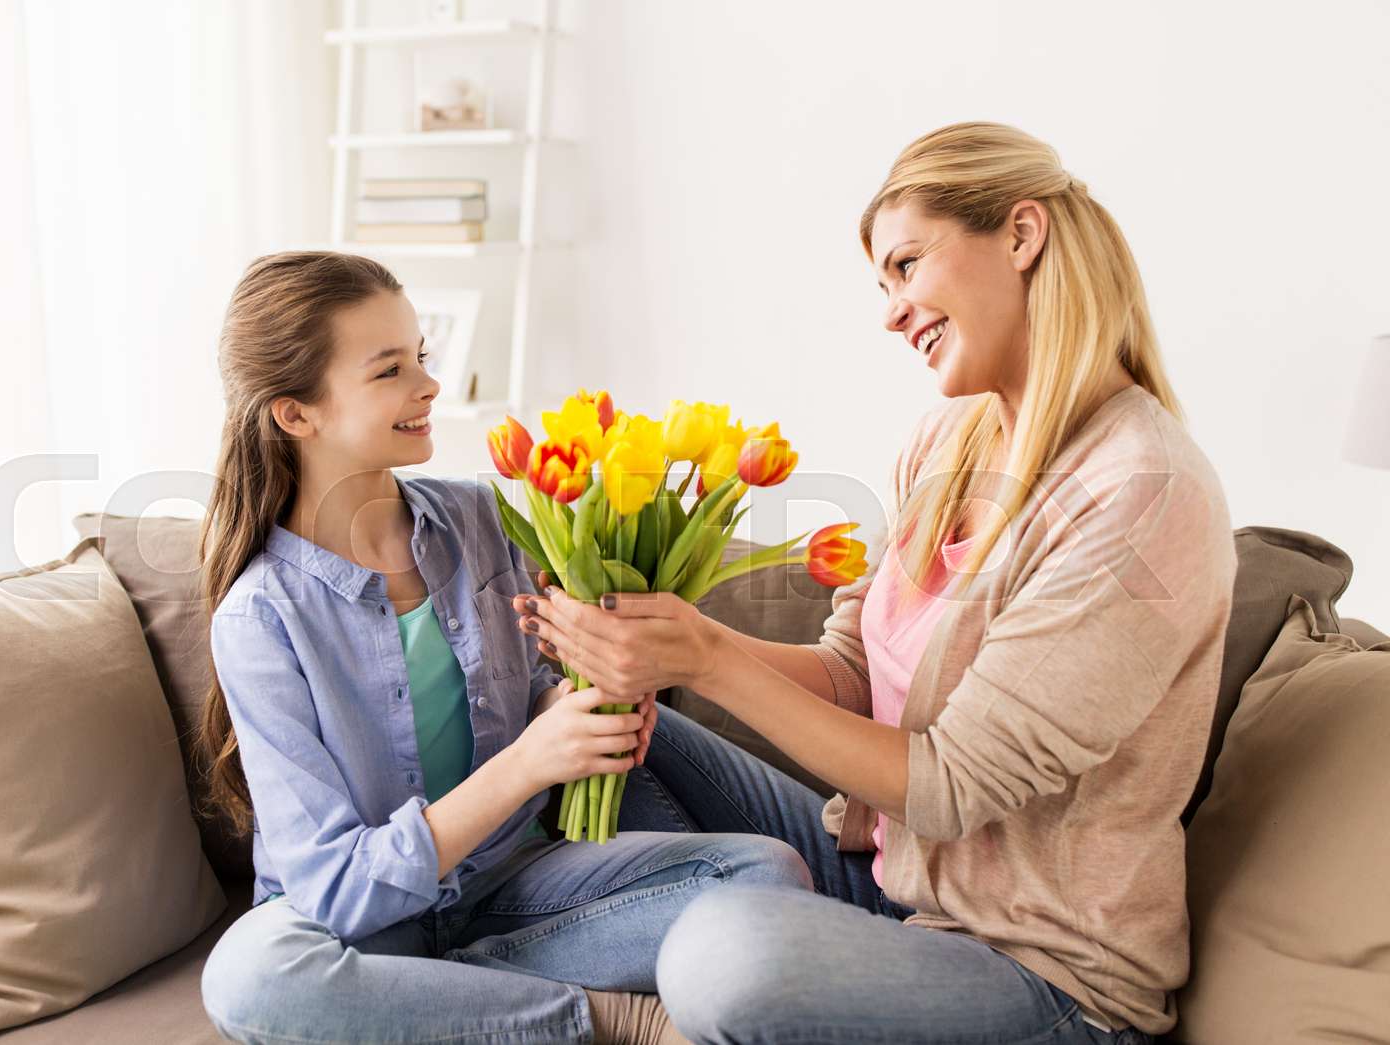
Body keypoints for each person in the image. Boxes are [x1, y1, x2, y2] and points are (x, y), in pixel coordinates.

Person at [513, 122, 1235, 1044]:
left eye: (906, 266)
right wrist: (664, 646)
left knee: (726, 950)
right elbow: (851, 670)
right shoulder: (952, 437)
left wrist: (705, 653)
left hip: (1038, 969)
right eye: (882, 284)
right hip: (887, 884)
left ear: (1021, 235)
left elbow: (948, 787)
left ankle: (598, 1004)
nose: (891, 312)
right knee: (604, 727)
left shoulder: (1143, 487)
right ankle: (465, 962)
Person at [193, 251, 813, 1045]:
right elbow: (335, 890)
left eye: (421, 356)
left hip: (514, 886)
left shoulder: (480, 518)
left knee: (764, 877)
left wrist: (572, 702)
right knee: (253, 980)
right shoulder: (261, 617)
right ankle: (606, 1016)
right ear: (295, 414)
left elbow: (537, 688)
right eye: (389, 371)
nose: (428, 386)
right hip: (361, 934)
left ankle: (440, 1006)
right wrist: (531, 758)